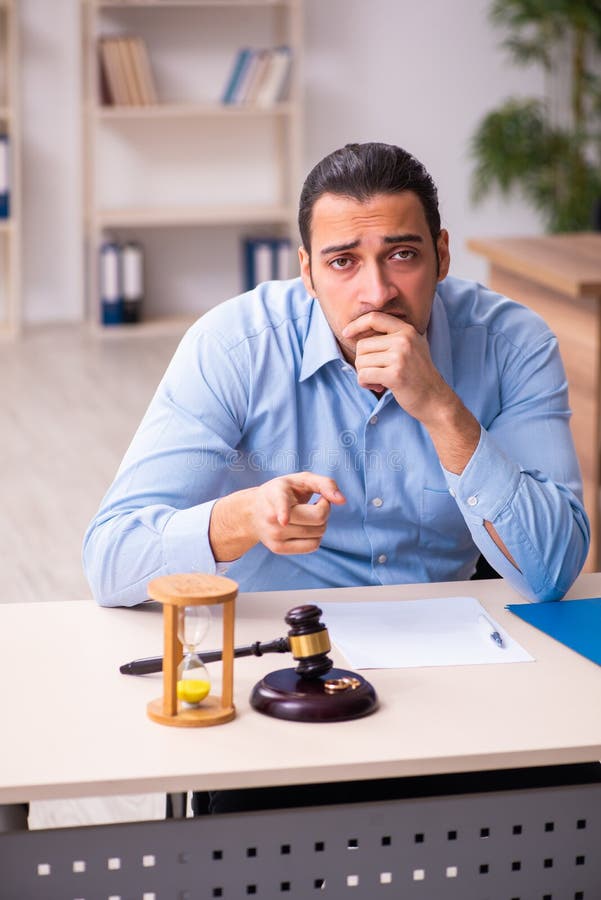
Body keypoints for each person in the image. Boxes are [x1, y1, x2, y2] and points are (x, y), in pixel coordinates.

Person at [83, 142, 590, 608]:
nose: (377, 292)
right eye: (343, 261)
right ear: (307, 272)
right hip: (279, 646)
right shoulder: (233, 347)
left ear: (442, 255)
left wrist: (441, 409)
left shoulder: (514, 344)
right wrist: (242, 519)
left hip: (450, 641)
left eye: (402, 255)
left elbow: (553, 573)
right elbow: (110, 560)